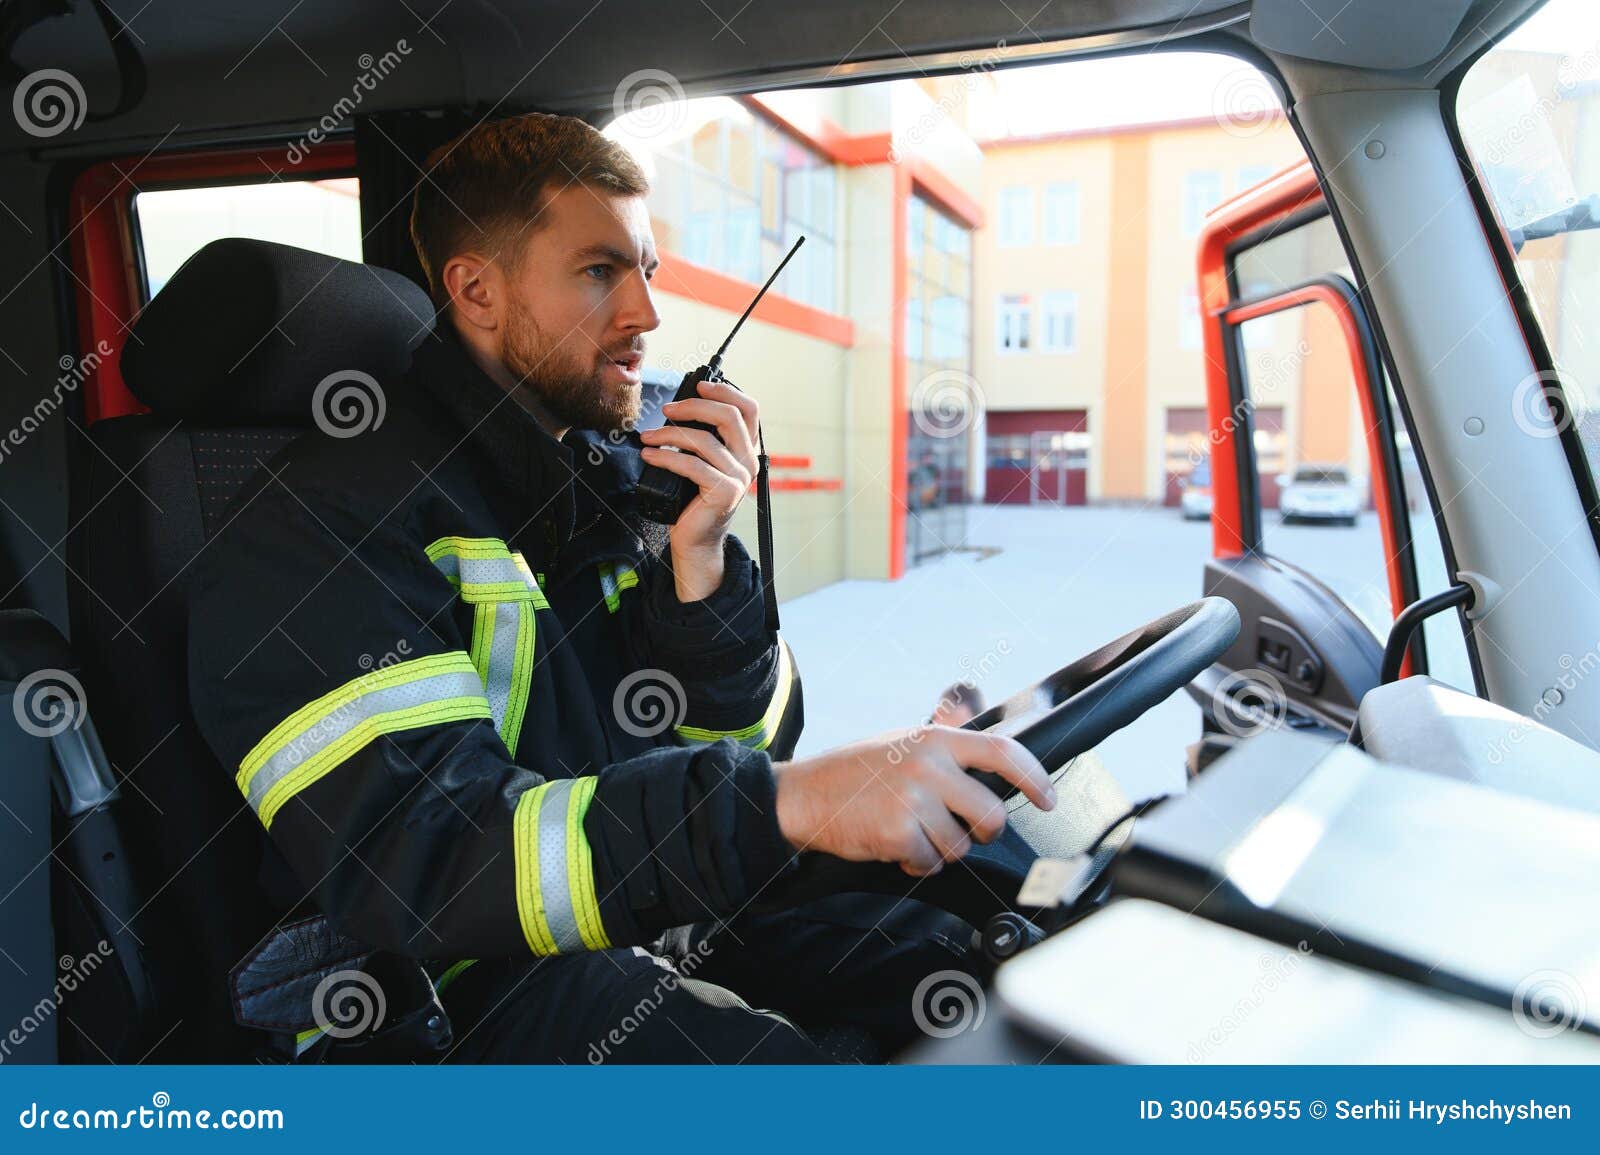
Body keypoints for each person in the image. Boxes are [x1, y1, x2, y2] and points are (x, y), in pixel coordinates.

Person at [188, 112, 1053, 1064]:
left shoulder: (611, 479)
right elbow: (429, 860)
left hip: (645, 905)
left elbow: (743, 746)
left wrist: (704, 570)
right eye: (601, 271)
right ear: (476, 289)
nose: (645, 311)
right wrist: (782, 807)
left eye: (648, 269)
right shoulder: (321, 524)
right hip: (445, 993)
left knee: (984, 944)